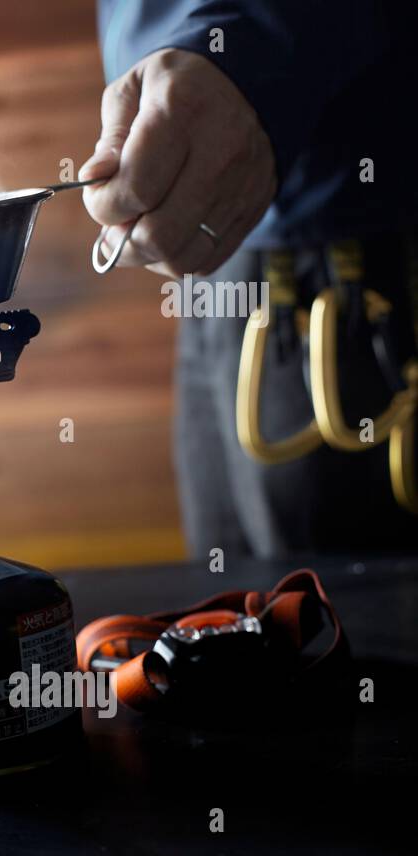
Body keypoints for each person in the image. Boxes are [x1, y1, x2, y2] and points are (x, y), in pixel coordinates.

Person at [79, 0, 418, 558]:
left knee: (344, 608)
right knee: (234, 592)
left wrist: (244, 44)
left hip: (352, 249)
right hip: (220, 265)